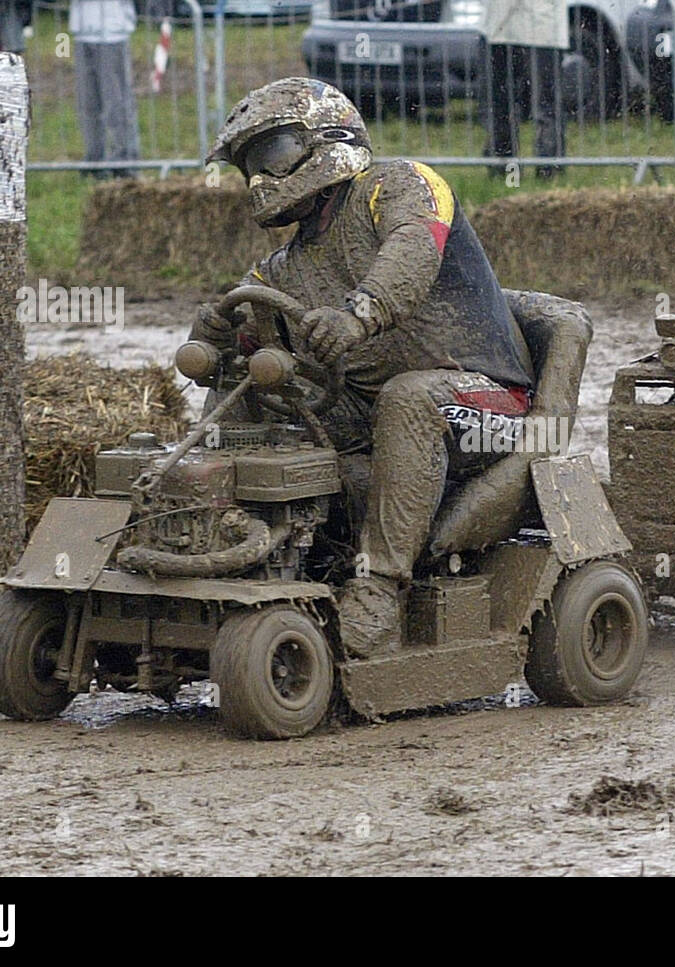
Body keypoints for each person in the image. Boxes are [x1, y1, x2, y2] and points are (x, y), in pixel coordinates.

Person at [192, 78, 535, 658]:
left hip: (490, 405)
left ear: (329, 136)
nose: (261, 179)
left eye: (271, 154)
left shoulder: (400, 186)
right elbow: (236, 335)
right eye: (250, 166)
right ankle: (215, 538)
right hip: (371, 412)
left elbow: (412, 248)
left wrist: (361, 313)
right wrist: (216, 337)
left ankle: (379, 588)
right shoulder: (284, 264)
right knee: (255, 387)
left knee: (409, 398)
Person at [482, 0, 570, 178]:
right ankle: (507, 174)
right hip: (501, 27)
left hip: (544, 27)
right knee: (502, 106)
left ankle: (548, 172)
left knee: (545, 106)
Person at [69, 0, 140, 178]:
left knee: (116, 101)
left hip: (112, 31)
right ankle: (94, 158)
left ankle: (125, 159)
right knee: (88, 103)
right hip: (82, 30)